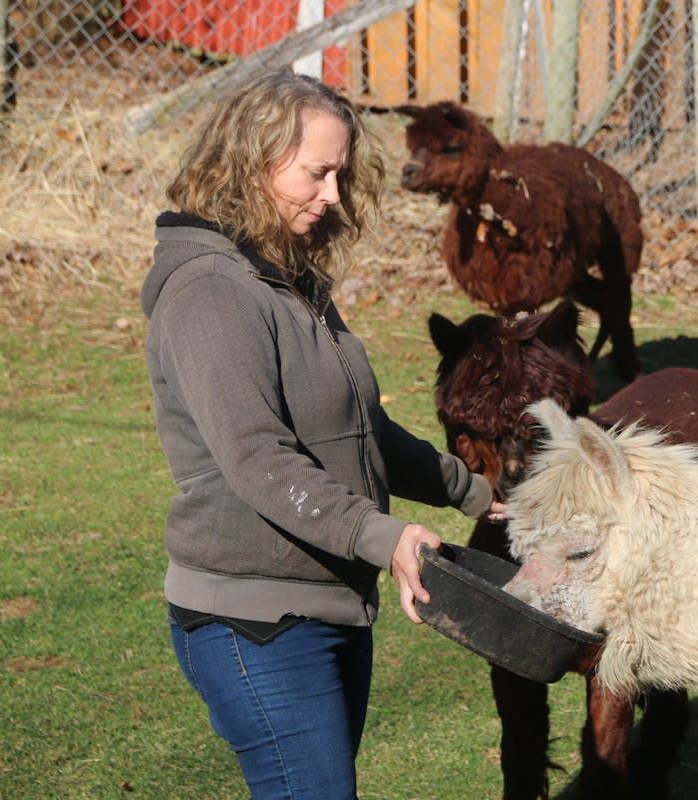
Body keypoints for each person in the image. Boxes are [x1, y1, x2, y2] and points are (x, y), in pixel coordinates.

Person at [140, 68, 504, 799]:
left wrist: (477, 495)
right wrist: (383, 537)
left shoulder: (283, 280)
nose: (333, 194)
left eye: (340, 173)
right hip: (254, 621)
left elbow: (362, 430)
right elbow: (258, 459)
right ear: (252, 162)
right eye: (317, 173)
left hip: (328, 603)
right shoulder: (211, 291)